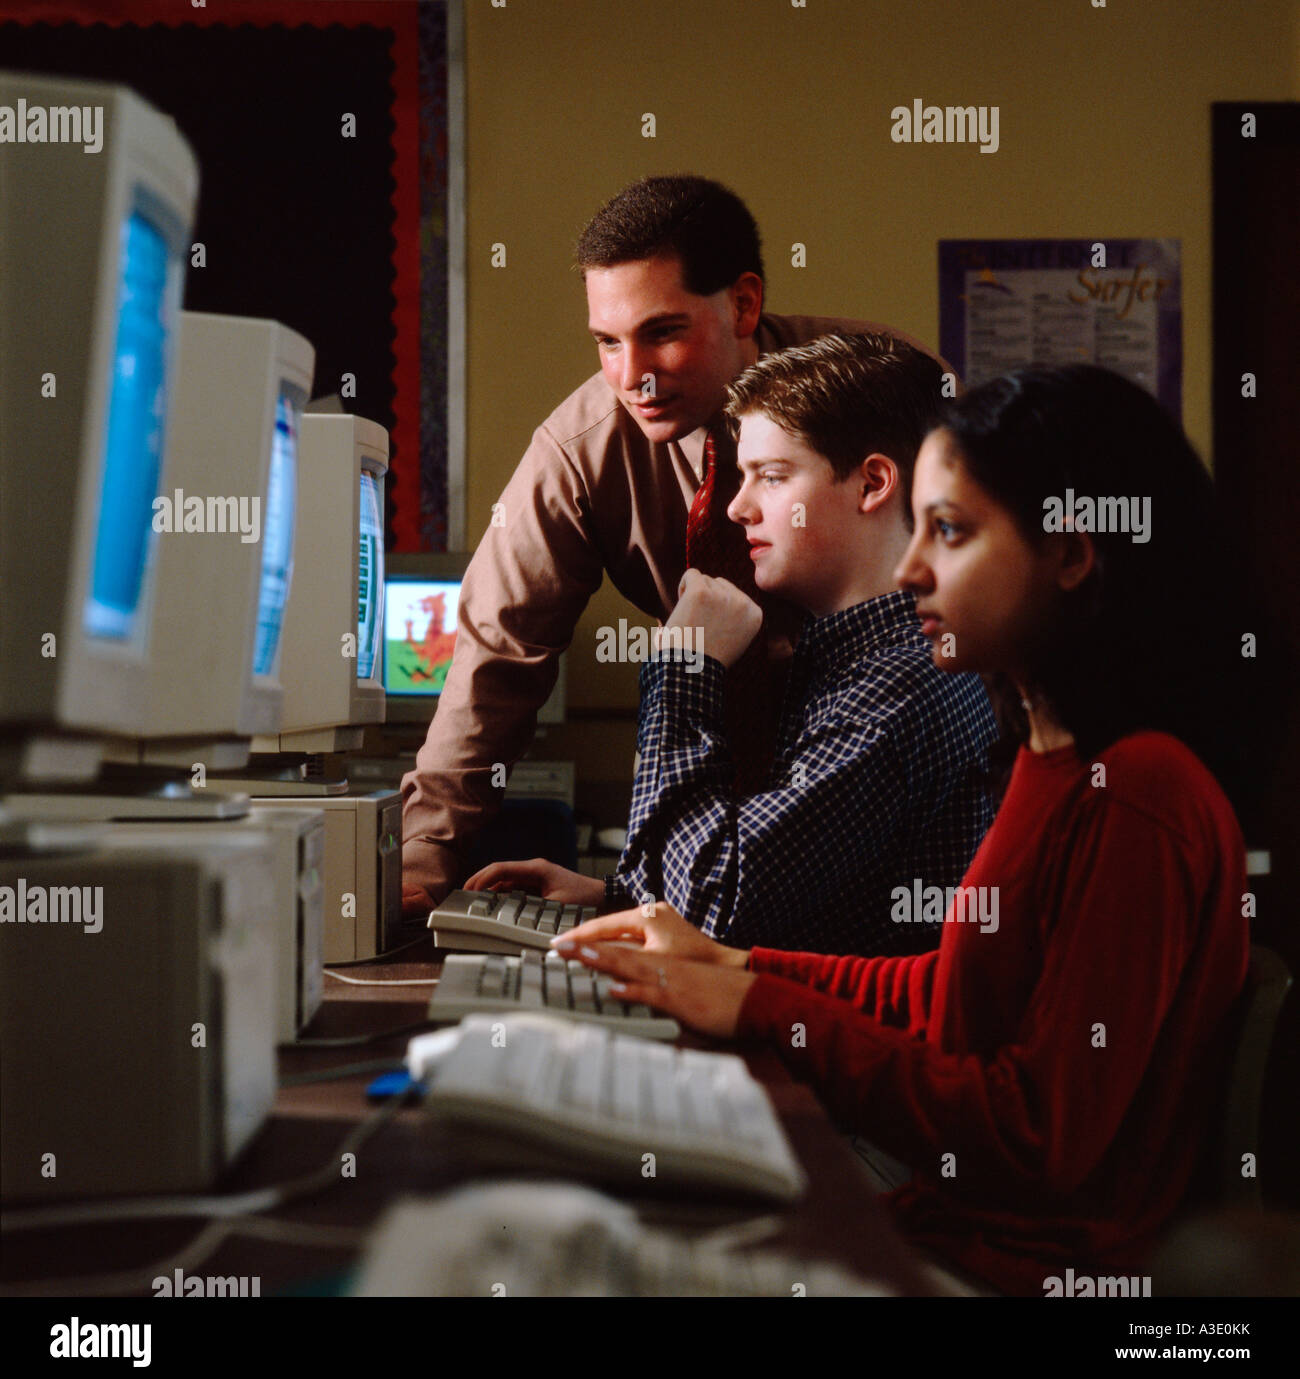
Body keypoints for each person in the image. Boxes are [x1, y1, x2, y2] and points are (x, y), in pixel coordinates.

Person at [553, 365, 1255, 1295]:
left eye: (951, 532)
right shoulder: (1050, 756)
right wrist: (734, 967)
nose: (914, 567)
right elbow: (954, 993)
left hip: (1021, 1272)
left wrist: (760, 1003)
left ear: (1072, 555)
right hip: (949, 1230)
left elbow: (1037, 1133)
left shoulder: (1134, 792)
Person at [401, 176, 946, 913]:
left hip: (896, 785)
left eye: (662, 332)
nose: (633, 378)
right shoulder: (580, 449)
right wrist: (422, 860)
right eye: (606, 342)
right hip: (745, 841)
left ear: (743, 304)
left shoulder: (881, 394)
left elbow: (1004, 574)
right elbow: (495, 654)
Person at [466, 334, 995, 955]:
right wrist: (617, 895)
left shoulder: (894, 687)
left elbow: (713, 909)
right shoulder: (861, 660)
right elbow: (783, 890)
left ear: (872, 483)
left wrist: (683, 665)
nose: (738, 508)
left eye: (771, 477)